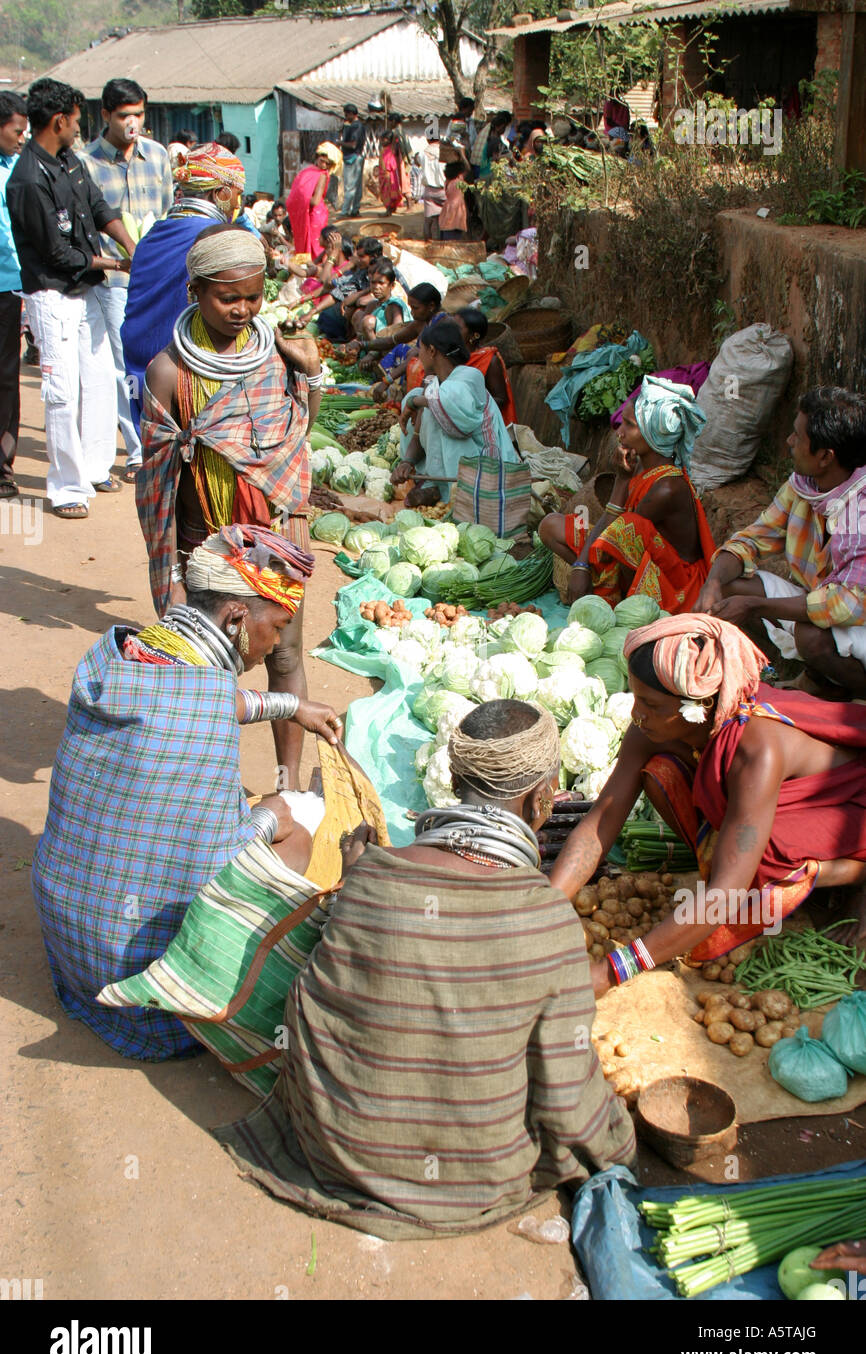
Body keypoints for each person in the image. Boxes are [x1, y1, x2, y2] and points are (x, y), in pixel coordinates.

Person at [215, 699, 635, 1236]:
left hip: (337, 1146)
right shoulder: (546, 919)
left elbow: (329, 996)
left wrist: (354, 877)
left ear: (455, 778)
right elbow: (568, 1092)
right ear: (544, 796)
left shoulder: (372, 876)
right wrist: (619, 1146)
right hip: (470, 1184)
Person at [32, 524, 342, 1061]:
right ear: (238, 617)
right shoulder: (199, 717)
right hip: (144, 995)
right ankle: (232, 989)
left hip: (72, 948)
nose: (276, 644)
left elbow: (214, 699)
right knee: (296, 817)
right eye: (278, 626)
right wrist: (274, 812)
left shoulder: (127, 658)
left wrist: (293, 707)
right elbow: (212, 858)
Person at [550, 615, 866, 990]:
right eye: (636, 697)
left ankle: (856, 874)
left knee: (760, 862)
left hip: (851, 808)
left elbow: (727, 892)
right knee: (660, 774)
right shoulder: (652, 728)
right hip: (778, 801)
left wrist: (612, 970)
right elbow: (602, 820)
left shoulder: (756, 751)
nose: (637, 714)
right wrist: (549, 904)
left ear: (696, 707)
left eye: (650, 704)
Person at [139, 226, 322, 788]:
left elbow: (297, 439)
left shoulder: (276, 359)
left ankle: (285, 782)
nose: (244, 309)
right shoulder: (169, 373)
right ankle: (205, 786)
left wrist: (310, 372)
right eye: (228, 297)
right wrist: (172, 567)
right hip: (204, 546)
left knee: (284, 659)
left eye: (254, 295)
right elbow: (157, 482)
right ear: (194, 291)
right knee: (197, 671)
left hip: (274, 539)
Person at [6, 78, 136, 519]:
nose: (78, 129)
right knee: (62, 392)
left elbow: (99, 207)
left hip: (87, 290)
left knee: (99, 380)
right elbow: (56, 253)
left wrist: (130, 246)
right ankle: (66, 488)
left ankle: (96, 467)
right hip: (53, 295)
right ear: (59, 121)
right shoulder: (26, 179)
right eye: (76, 121)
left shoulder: (70, 162)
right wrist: (116, 264)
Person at [696, 387, 866, 698]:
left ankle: (852, 693)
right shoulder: (804, 487)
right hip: (824, 603)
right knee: (731, 588)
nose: (789, 442)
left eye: (797, 437)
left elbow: (845, 604)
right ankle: (813, 679)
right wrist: (713, 582)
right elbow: (751, 538)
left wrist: (755, 605)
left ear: (826, 456)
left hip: (859, 621)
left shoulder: (861, 511)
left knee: (811, 635)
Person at [539, 375, 715, 610]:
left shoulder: (667, 488)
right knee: (551, 525)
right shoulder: (641, 463)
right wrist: (581, 565)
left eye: (629, 425)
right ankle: (603, 587)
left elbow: (620, 535)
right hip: (630, 553)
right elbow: (615, 529)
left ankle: (614, 598)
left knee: (626, 531)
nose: (619, 432)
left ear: (655, 433)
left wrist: (622, 482)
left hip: (673, 581)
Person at [81, 78, 174, 484]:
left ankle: (165, 436)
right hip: (116, 280)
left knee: (166, 356)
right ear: (105, 116)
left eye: (138, 114)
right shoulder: (87, 163)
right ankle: (138, 449)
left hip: (160, 275)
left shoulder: (157, 156)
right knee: (127, 363)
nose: (132, 122)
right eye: (124, 116)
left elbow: (171, 213)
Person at [121, 141, 247, 430]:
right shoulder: (213, 238)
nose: (238, 205)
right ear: (221, 193)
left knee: (155, 460)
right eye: (236, 195)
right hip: (180, 376)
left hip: (136, 371)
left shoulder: (153, 233)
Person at [394, 317, 520, 507]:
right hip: (456, 470)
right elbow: (419, 431)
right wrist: (407, 462)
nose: (417, 355)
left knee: (426, 401)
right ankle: (440, 487)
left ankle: (454, 493)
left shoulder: (469, 377)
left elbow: (451, 412)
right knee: (420, 397)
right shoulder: (436, 386)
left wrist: (415, 402)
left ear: (432, 351)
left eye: (420, 348)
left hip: (485, 466)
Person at [0, 91, 27, 499]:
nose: (22, 138)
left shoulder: (19, 169)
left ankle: (3, 465)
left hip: (9, 285)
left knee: (6, 376)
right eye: (16, 130)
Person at [301, 235, 383, 340]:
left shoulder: (387, 271)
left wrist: (356, 301)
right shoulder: (362, 272)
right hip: (357, 310)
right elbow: (340, 290)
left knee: (356, 311)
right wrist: (311, 312)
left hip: (376, 316)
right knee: (327, 316)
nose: (357, 260)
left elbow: (365, 301)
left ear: (374, 256)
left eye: (361, 256)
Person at [453, 306, 516, 424]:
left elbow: (501, 399)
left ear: (474, 335)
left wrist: (471, 407)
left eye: (457, 328)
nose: (451, 331)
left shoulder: (489, 361)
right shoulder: (452, 354)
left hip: (482, 423)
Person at [286, 142, 341, 258]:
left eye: (328, 163)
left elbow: (315, 201)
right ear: (317, 157)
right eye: (322, 161)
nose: (324, 165)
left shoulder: (322, 175)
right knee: (305, 242)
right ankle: (305, 268)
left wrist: (299, 198)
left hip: (314, 215)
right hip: (308, 212)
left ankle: (314, 270)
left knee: (314, 246)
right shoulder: (309, 171)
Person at [351, 257, 409, 340]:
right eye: (373, 283)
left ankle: (374, 352)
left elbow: (397, 335)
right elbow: (362, 333)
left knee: (368, 321)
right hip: (371, 346)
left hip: (387, 347)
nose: (376, 287)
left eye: (381, 283)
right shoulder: (372, 305)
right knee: (359, 315)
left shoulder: (395, 306)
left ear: (392, 286)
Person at [377, 114, 410, 214]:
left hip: (394, 170)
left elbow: (391, 161)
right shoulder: (398, 133)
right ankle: (392, 208)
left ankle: (406, 206)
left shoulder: (397, 133)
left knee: (402, 186)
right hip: (396, 168)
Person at [340, 104, 366, 217]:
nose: (345, 116)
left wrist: (340, 143)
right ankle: (355, 210)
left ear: (351, 114)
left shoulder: (355, 127)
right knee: (357, 186)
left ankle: (345, 212)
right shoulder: (358, 126)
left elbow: (353, 144)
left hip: (352, 158)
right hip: (357, 157)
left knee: (349, 187)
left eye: (346, 114)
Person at [419, 137, 446, 239]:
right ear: (439, 139)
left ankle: (427, 245)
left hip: (429, 191)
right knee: (445, 220)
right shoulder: (444, 153)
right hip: (443, 191)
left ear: (427, 139)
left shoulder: (422, 154)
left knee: (428, 221)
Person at [438, 161, 467, 240]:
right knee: (454, 238)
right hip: (457, 210)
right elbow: (467, 169)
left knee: (446, 232)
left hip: (448, 209)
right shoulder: (459, 182)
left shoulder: (447, 182)